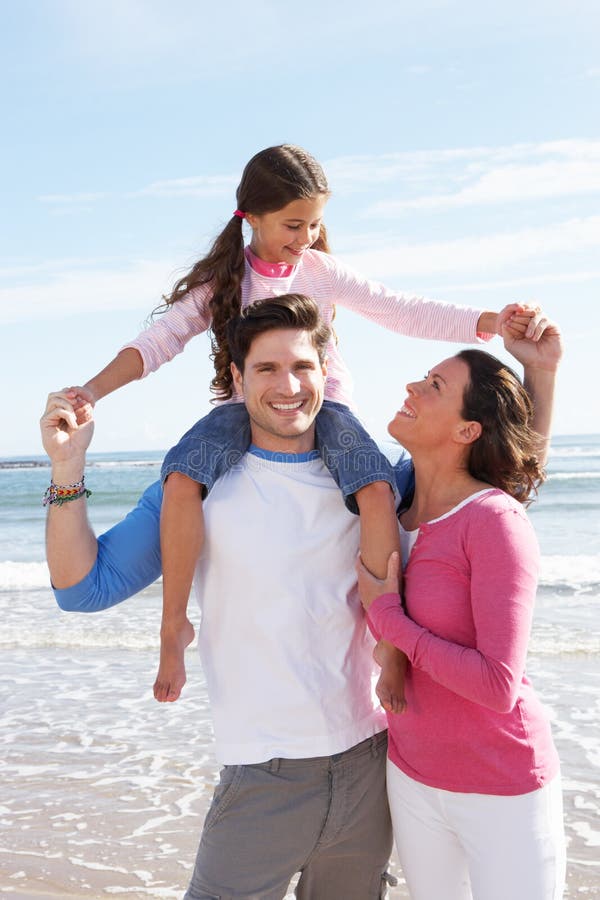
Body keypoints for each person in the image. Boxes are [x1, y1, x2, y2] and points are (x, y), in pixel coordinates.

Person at [42, 296, 559, 900]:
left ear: (326, 372)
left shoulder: (379, 481)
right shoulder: (195, 491)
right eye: (265, 369)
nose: (287, 386)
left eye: (302, 367)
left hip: (376, 770)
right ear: (237, 379)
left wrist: (540, 373)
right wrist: (67, 469)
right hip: (264, 777)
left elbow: (496, 481)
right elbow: (83, 588)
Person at [64, 143, 543, 705]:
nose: (306, 237)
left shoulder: (320, 271)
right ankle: (174, 626)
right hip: (240, 411)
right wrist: (91, 390)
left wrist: (488, 319)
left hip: (328, 409)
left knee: (375, 491)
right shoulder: (226, 279)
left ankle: (388, 648)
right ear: (252, 216)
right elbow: (158, 342)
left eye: (315, 224)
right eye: (294, 224)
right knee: (179, 479)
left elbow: (399, 308)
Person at [357, 319, 565, 899]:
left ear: (468, 429)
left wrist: (390, 621)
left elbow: (497, 684)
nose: (413, 388)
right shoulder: (387, 508)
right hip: (412, 774)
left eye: (435, 387)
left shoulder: (494, 520)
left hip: (503, 783)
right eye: (425, 378)